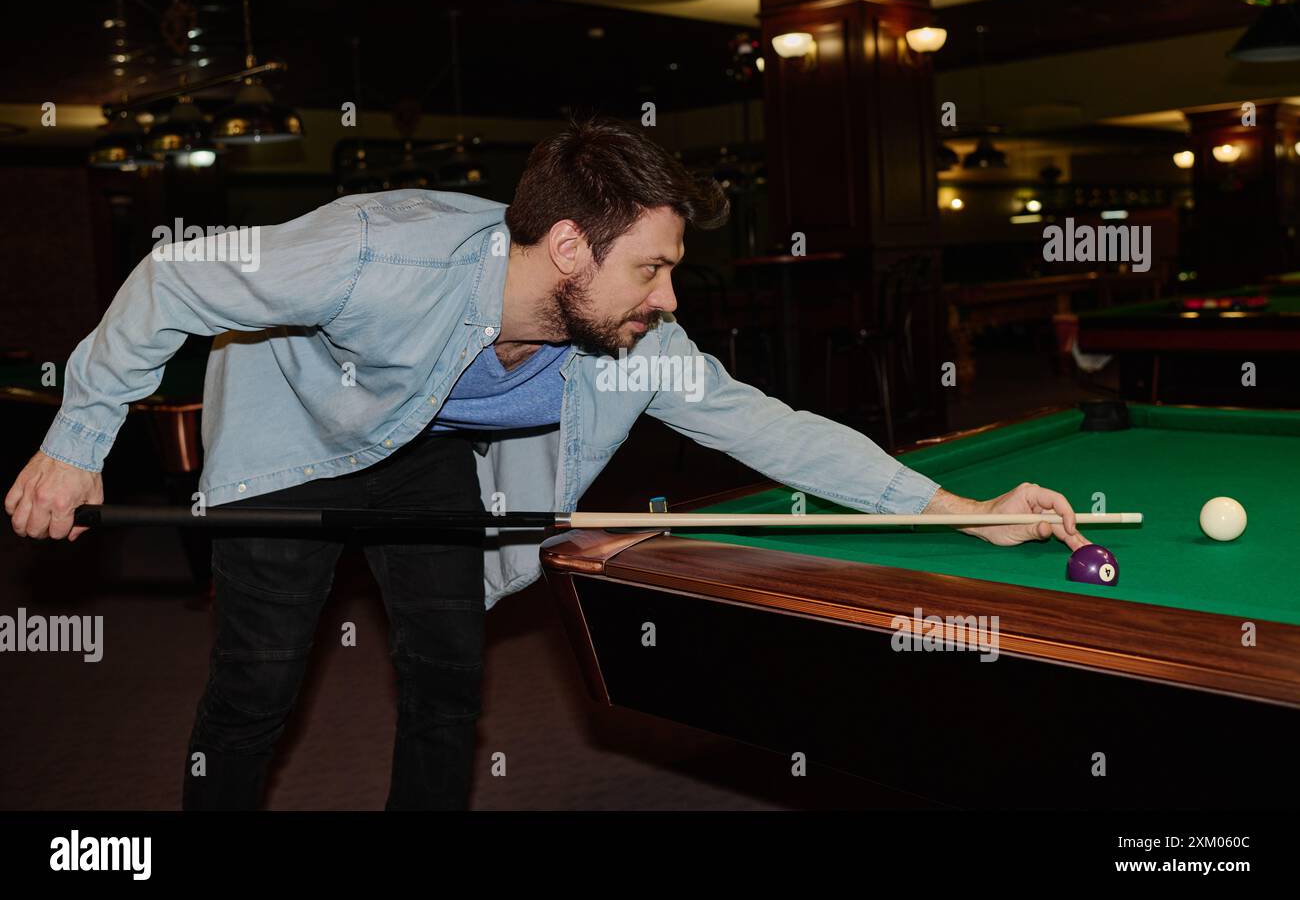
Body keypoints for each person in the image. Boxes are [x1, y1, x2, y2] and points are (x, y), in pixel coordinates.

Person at [4, 117, 1090, 810]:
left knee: (446, 676)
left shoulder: (636, 337)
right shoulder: (377, 251)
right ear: (569, 248)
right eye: (654, 268)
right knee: (256, 683)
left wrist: (957, 506)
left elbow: (769, 425)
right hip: (292, 442)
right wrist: (73, 441)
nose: (668, 298)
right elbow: (172, 277)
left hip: (427, 449)